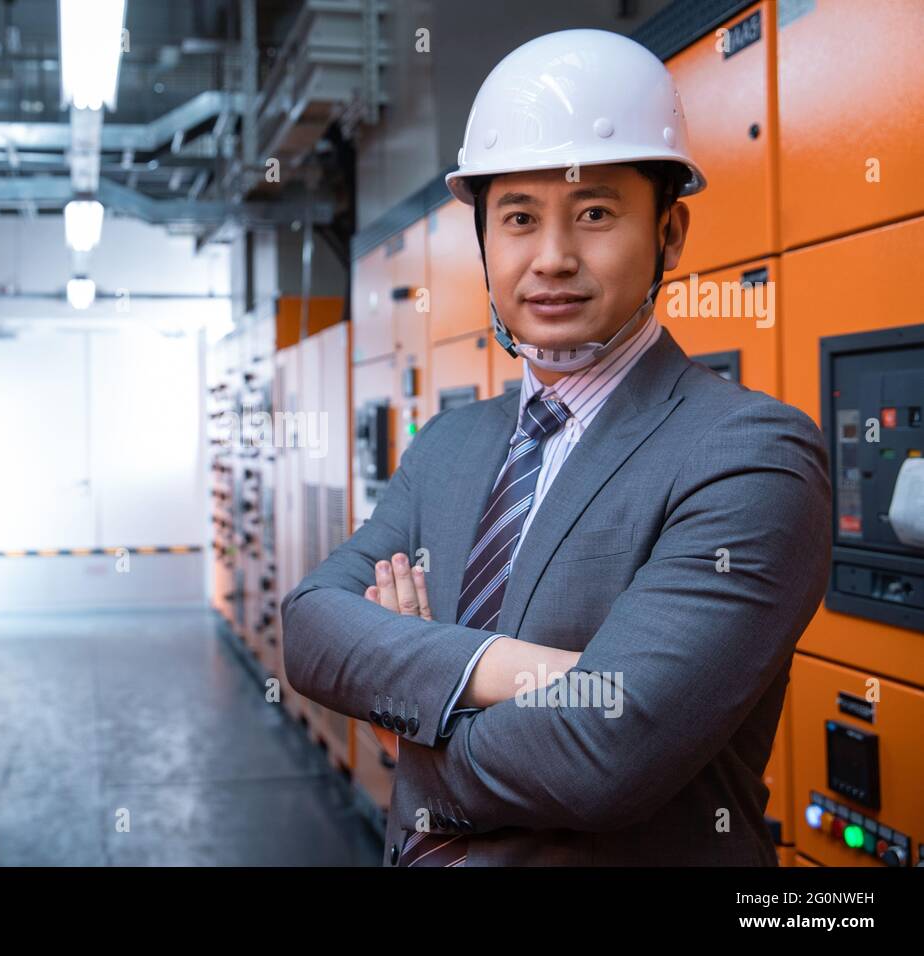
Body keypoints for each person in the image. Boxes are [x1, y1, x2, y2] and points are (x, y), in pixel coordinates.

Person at [280, 28, 832, 866]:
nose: (552, 259)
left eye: (596, 214)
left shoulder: (752, 457)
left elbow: (604, 756)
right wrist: (514, 670)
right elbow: (312, 632)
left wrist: (407, 699)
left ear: (670, 234)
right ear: (484, 242)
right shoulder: (450, 444)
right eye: (519, 219)